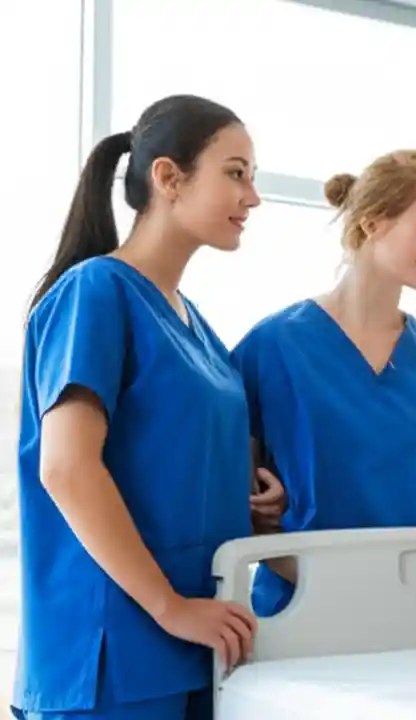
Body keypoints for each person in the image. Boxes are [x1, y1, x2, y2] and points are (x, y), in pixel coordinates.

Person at [12, 95, 269, 720]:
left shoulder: (198, 327)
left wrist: (254, 502)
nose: (253, 197)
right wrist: (169, 607)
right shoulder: (96, 292)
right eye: (235, 173)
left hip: (194, 644)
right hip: (111, 654)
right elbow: (67, 469)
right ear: (167, 178)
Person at [230, 150, 416, 618]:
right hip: (300, 603)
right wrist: (332, 587)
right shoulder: (273, 346)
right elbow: (242, 501)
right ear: (371, 223)